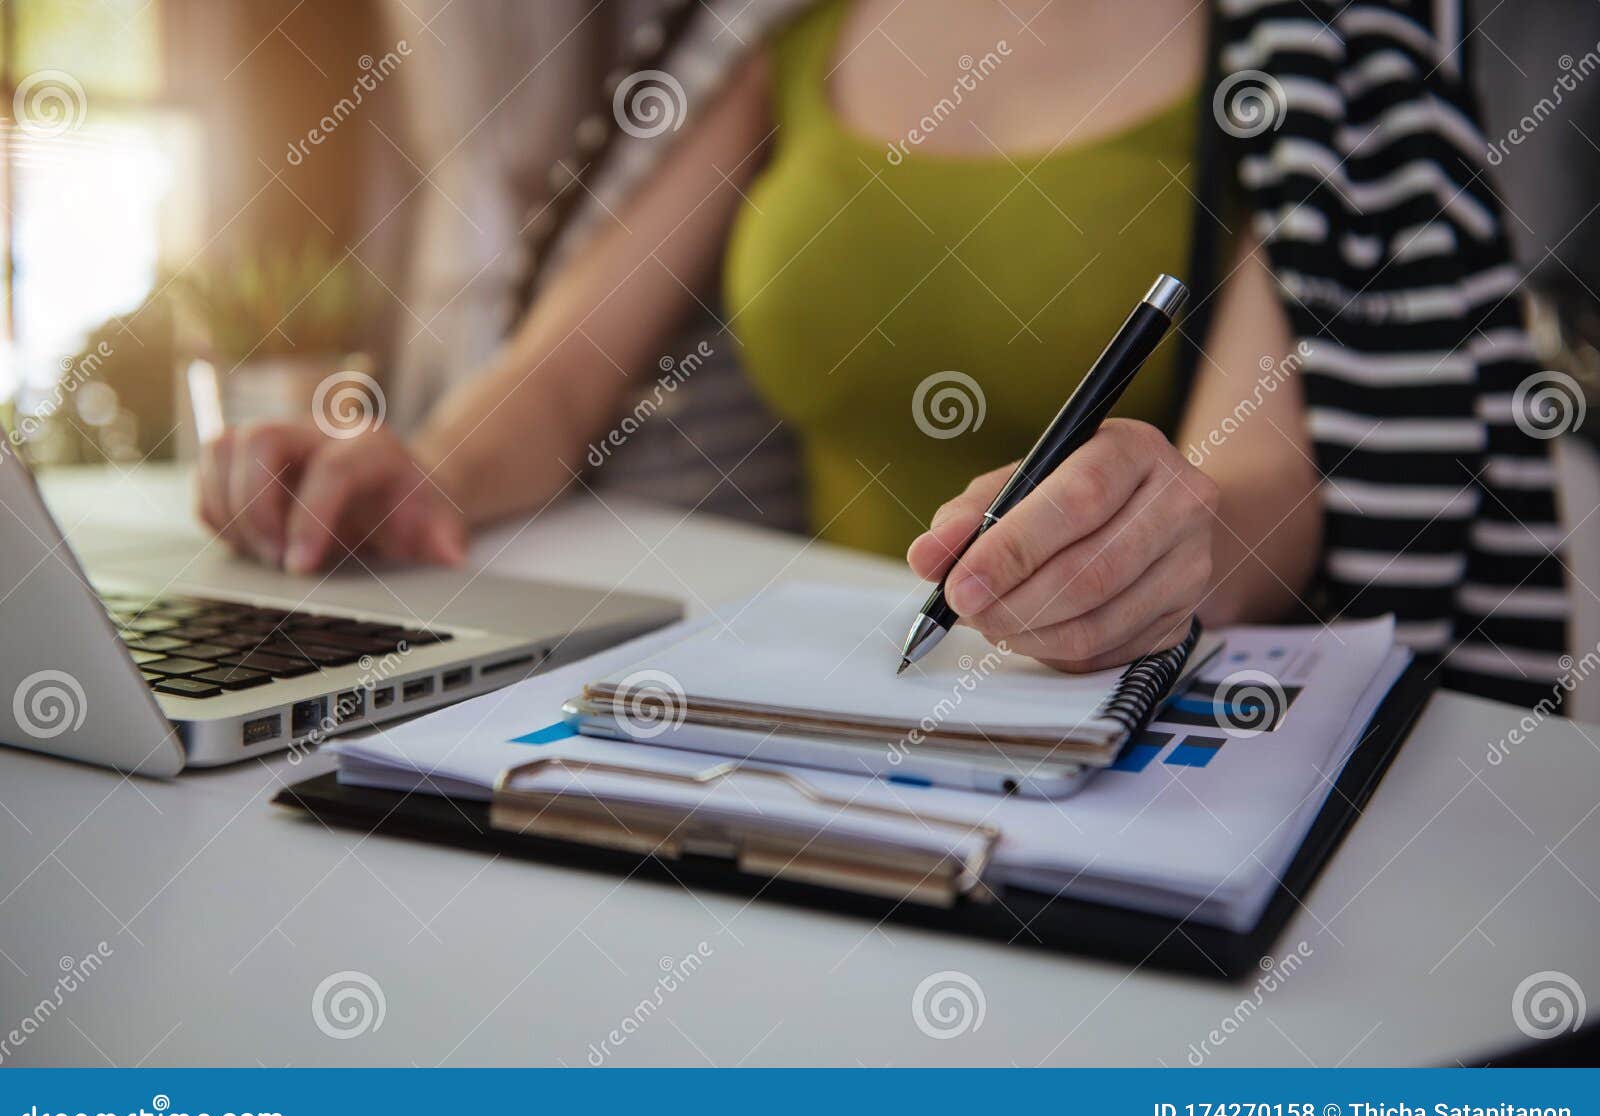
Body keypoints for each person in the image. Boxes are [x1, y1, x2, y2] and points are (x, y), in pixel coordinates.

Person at [198, 0, 1568, 705]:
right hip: (792, 710)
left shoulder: (1311, 53)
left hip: (1104, 739)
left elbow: (1270, 470)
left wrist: (1170, 536)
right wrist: (414, 472)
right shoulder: (785, 24)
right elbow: (563, 379)